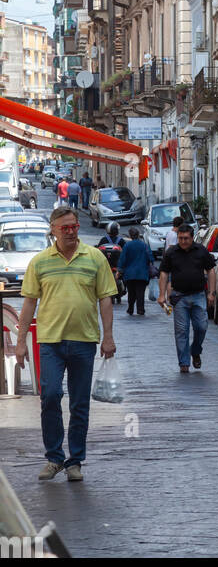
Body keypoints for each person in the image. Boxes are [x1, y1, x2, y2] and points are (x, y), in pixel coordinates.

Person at [15, 205, 117, 483]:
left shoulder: (95, 257)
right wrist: (21, 341)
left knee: (80, 404)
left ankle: (75, 461)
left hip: (84, 341)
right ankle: (54, 458)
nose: (71, 232)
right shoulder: (40, 262)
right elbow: (28, 304)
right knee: (49, 396)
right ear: (53, 230)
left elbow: (105, 299)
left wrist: (108, 337)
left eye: (74, 227)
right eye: (65, 228)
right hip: (50, 341)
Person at [158, 223, 216, 372]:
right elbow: (164, 273)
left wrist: (211, 293)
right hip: (179, 297)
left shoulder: (201, 251)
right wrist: (161, 295)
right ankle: (184, 363)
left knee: (201, 327)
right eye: (180, 238)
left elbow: (211, 270)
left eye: (186, 238)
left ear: (192, 238)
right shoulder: (171, 252)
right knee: (181, 331)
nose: (183, 241)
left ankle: (195, 351)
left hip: (198, 296)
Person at [118, 226, 154, 317]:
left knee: (131, 292)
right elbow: (151, 258)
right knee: (140, 292)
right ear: (138, 235)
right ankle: (140, 310)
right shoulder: (144, 245)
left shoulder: (127, 245)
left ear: (130, 235)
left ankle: (130, 309)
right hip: (142, 273)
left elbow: (122, 259)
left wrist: (120, 270)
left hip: (129, 274)